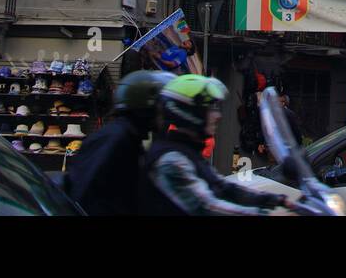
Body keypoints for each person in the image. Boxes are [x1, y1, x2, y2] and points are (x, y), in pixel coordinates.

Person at [140, 73, 294, 215]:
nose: (218, 115)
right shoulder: (171, 160)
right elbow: (207, 206)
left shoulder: (188, 151)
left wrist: (272, 199)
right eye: (209, 108)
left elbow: (223, 187)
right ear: (190, 113)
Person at [64, 69, 171, 215]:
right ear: (148, 108)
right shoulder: (117, 139)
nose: (163, 115)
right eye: (160, 107)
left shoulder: (129, 137)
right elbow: (86, 194)